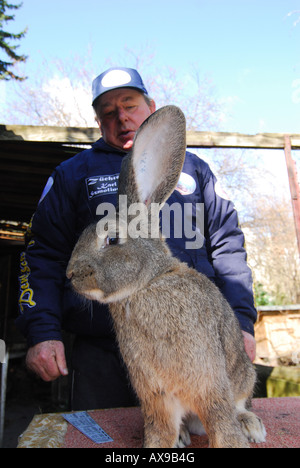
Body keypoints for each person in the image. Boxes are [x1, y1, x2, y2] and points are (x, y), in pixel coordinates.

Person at [17, 67, 257, 410]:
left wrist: (241, 320)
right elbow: (40, 254)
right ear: (99, 123)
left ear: (151, 106)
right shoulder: (72, 174)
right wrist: (43, 330)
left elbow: (227, 244)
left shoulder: (196, 170)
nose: (122, 117)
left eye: (130, 105)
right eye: (109, 112)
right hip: (106, 353)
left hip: (198, 347)